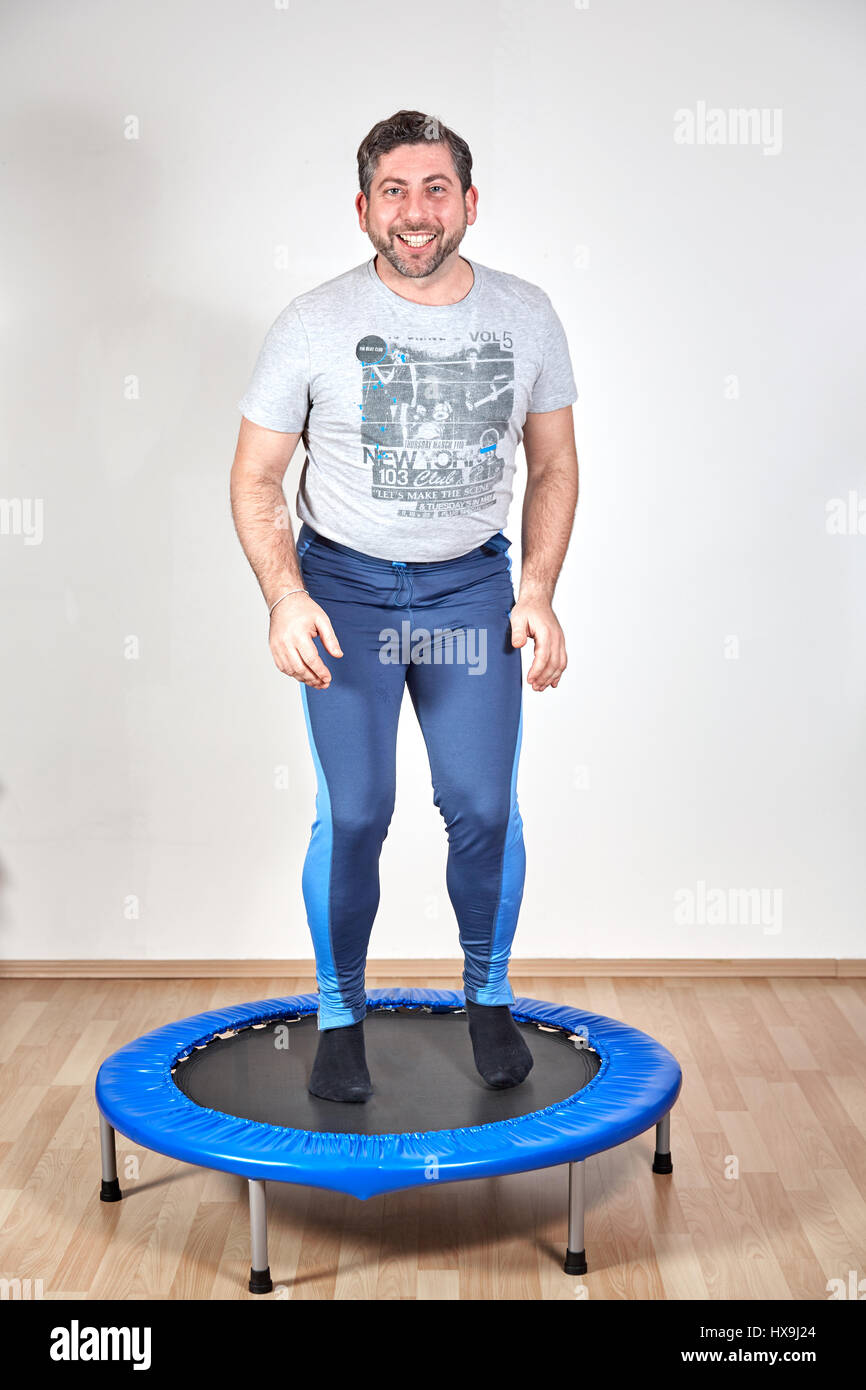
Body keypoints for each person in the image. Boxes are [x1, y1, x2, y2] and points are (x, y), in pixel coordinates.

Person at [231, 110, 579, 1103]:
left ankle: (487, 993)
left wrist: (537, 592)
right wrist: (283, 596)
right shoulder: (310, 323)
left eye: (434, 189)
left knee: (480, 808)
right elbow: (256, 477)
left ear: (468, 203)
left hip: (468, 590)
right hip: (344, 593)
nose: (414, 211)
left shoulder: (525, 315)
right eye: (394, 191)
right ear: (362, 209)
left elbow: (552, 464)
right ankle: (340, 1013)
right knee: (354, 813)